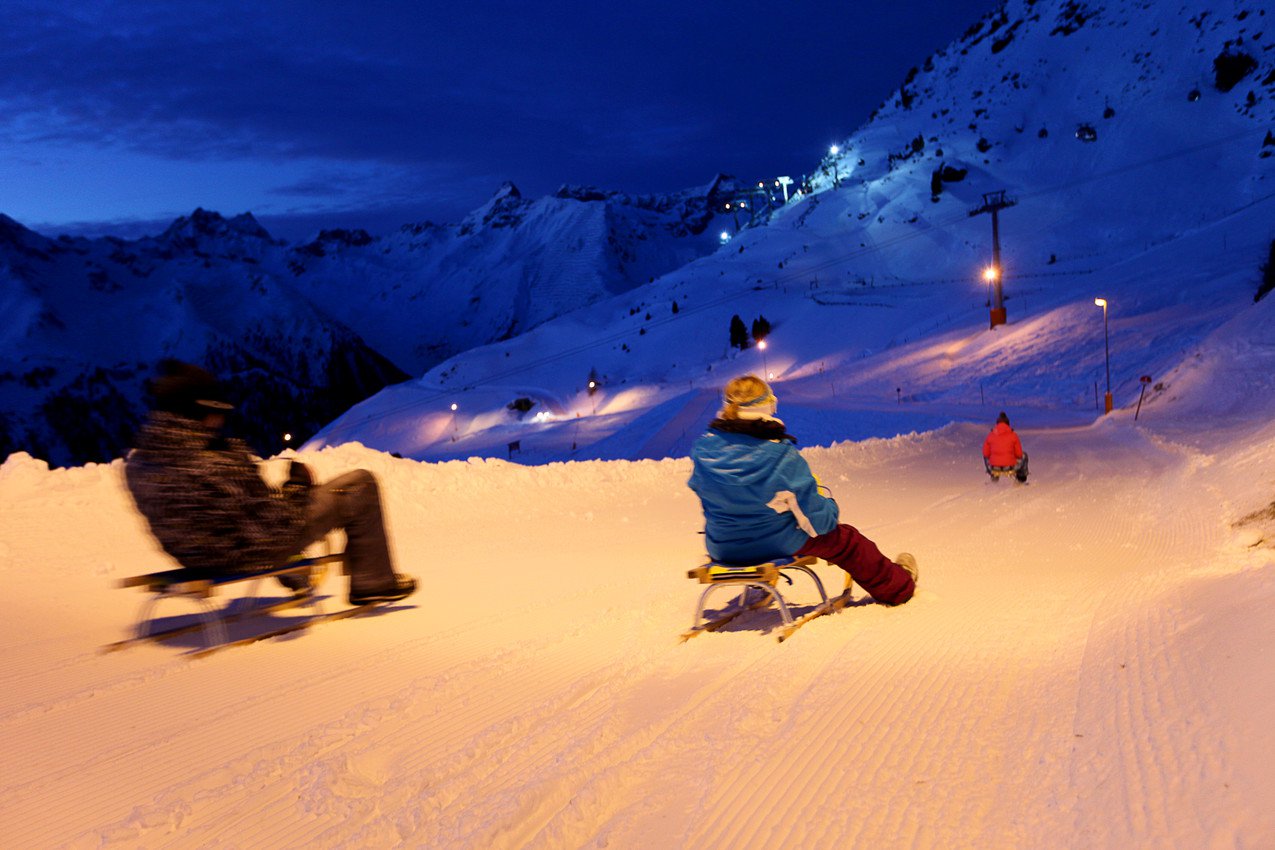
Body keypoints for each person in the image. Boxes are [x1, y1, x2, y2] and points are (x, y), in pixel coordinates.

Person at [124, 360, 416, 606]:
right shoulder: (216, 462)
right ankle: (373, 582)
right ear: (201, 412)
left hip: (194, 556)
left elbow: (235, 515)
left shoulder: (141, 463)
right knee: (359, 484)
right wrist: (297, 491)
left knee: (265, 515)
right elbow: (273, 529)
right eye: (217, 414)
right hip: (245, 553)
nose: (220, 422)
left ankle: (296, 575)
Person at [688, 375, 916, 606]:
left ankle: (758, 583)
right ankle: (899, 587)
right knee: (848, 541)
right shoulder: (780, 455)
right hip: (776, 543)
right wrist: (829, 504)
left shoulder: (703, 452)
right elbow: (820, 523)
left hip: (722, 546)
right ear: (768, 407)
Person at [982, 411, 1029, 483]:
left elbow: (985, 453)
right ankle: (1021, 478)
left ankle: (994, 476)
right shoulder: (1013, 435)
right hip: (1010, 466)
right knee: (1024, 455)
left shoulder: (990, 435)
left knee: (986, 457)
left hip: (994, 467)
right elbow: (1019, 454)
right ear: (1008, 424)